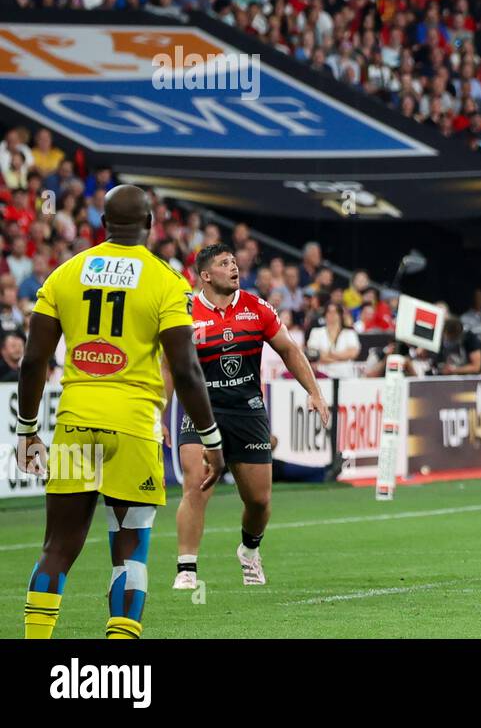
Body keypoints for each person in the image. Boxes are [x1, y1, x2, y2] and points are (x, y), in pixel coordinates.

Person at [18, 185, 224, 639]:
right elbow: (187, 371)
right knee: (130, 552)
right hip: (133, 428)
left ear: (103, 225)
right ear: (150, 225)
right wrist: (210, 438)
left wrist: (28, 430)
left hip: (74, 426)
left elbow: (33, 361)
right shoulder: (167, 281)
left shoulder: (63, 274)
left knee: (56, 547)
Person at [174, 243, 328, 590]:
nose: (234, 267)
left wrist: (314, 392)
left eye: (234, 262)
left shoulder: (255, 307)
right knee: (197, 484)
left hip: (247, 410)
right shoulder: (185, 312)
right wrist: (158, 411)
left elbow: (288, 349)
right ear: (205, 275)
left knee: (258, 501)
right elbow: (170, 366)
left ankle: (249, 550)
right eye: (224, 263)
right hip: (202, 410)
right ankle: (186, 569)